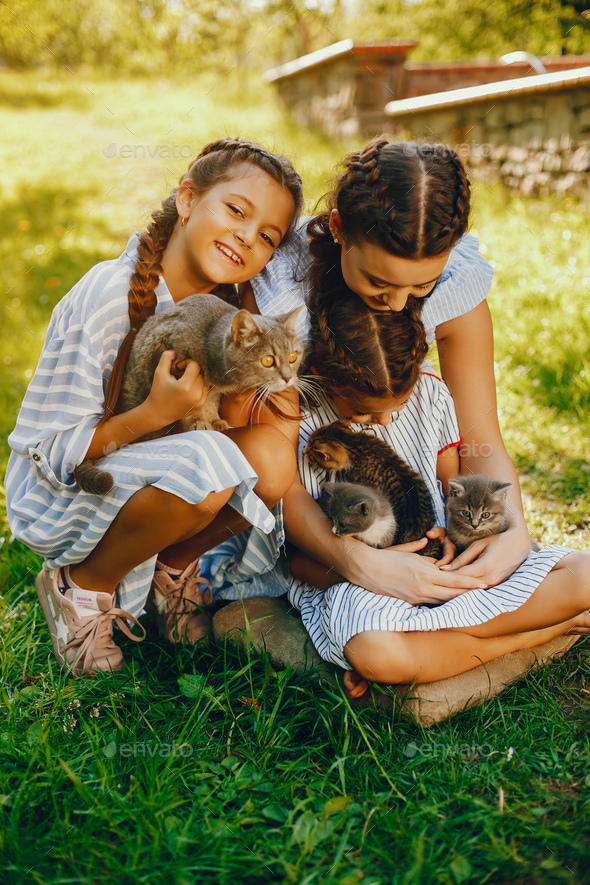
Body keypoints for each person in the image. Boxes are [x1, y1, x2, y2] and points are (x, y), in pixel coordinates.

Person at [4, 137, 304, 676]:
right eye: (236, 210)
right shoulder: (107, 294)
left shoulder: (232, 322)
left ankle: (172, 569)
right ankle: (82, 587)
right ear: (187, 197)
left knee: (275, 458)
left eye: (266, 236)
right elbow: (50, 452)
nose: (246, 237)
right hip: (66, 489)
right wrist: (154, 413)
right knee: (208, 464)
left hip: (159, 480)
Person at [241, 139, 534, 605]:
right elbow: (272, 472)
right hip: (310, 500)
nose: (399, 303)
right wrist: (363, 564)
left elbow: (483, 438)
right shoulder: (281, 297)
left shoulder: (458, 286)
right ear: (338, 228)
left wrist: (514, 530)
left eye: (422, 285)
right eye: (378, 281)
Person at [288, 291, 590, 697]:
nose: (384, 420)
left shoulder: (431, 394)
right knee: (378, 655)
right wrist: (372, 567)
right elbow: (297, 562)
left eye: (400, 403)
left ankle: (441, 648)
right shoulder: (302, 429)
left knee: (585, 577)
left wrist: (454, 538)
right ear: (323, 374)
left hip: (443, 566)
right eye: (361, 411)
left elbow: (452, 496)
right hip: (358, 582)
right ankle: (538, 632)